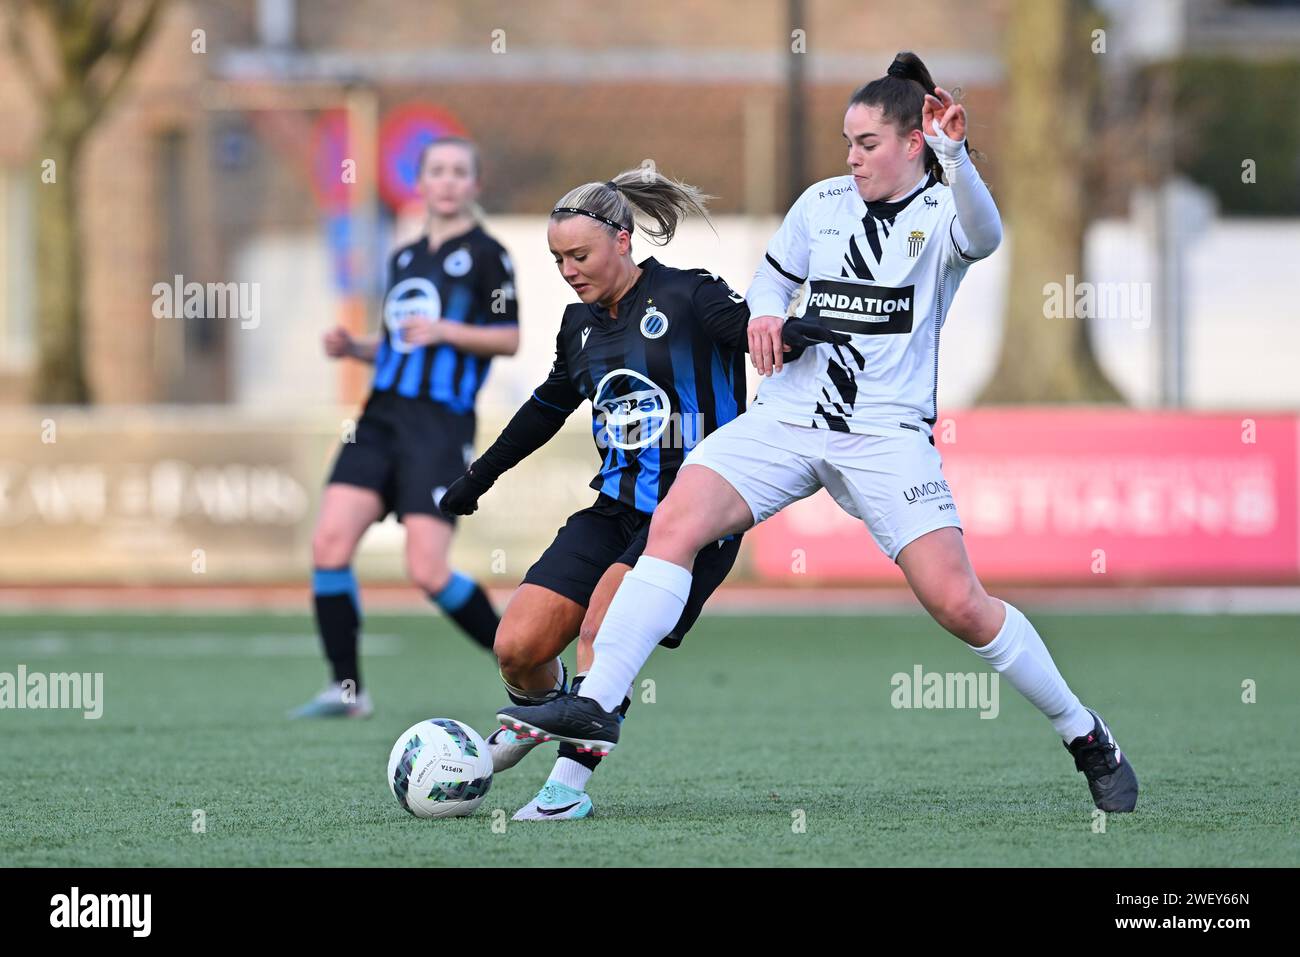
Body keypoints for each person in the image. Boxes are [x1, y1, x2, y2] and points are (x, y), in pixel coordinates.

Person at [498, 52, 1139, 814]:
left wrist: (957, 156)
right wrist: (766, 311)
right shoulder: (822, 202)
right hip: (785, 419)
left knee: (959, 601)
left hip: (882, 434)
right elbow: (773, 273)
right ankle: (589, 726)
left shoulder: (943, 212)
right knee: (674, 521)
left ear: (913, 142)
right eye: (847, 141)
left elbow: (988, 233)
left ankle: (1084, 731)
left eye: (867, 142)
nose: (852, 156)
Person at [441, 167, 822, 819]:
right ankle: (546, 710)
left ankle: (565, 791)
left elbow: (765, 337)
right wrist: (475, 479)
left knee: (604, 624)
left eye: (579, 255)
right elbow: (545, 407)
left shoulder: (693, 297)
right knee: (517, 646)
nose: (568, 270)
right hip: (614, 508)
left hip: (698, 512)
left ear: (623, 240)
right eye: (558, 258)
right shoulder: (578, 327)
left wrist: (810, 328)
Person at [291, 136, 519, 718]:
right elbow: (400, 345)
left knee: (426, 568)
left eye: (458, 171)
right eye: (435, 171)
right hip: (379, 416)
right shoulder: (403, 258)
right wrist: (356, 347)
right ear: (418, 184)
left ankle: (529, 670)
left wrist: (446, 331)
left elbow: (508, 337)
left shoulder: (489, 255)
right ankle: (348, 691)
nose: (446, 181)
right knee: (329, 543)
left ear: (474, 185)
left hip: (439, 425)